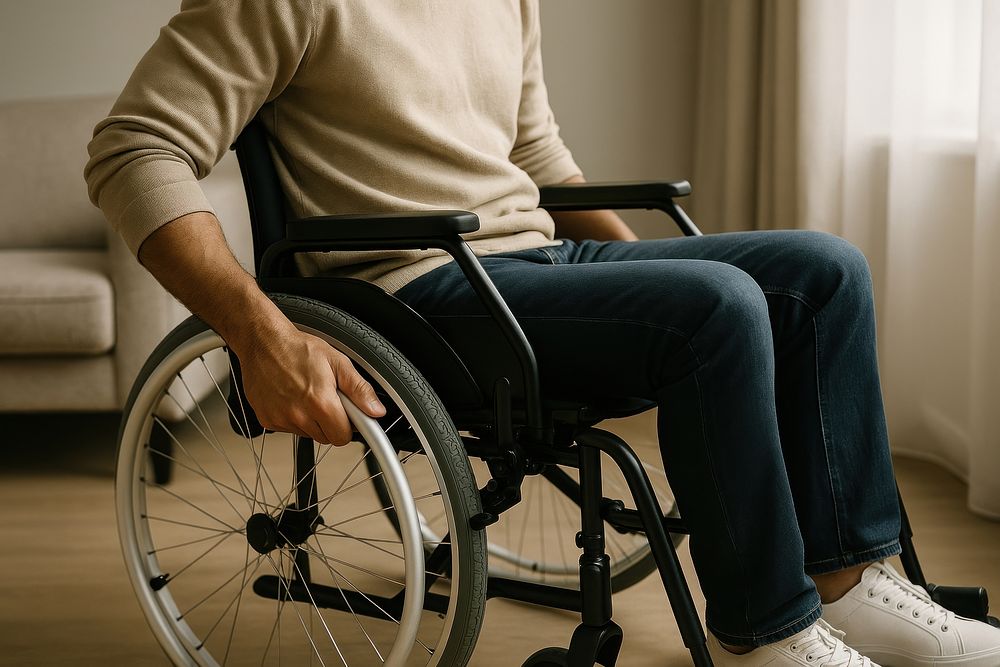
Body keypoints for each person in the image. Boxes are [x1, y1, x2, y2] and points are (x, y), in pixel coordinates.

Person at [84, 1, 1000, 665]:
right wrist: (259, 330)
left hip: (529, 258)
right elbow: (133, 148)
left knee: (822, 271)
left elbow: (533, 154)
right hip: (416, 289)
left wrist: (658, 280)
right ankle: (767, 631)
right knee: (719, 306)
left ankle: (853, 581)